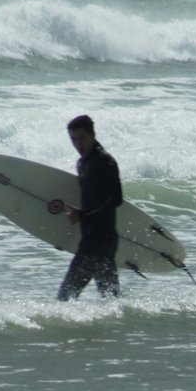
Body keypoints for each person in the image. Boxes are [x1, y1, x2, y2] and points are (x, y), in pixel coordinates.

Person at [57, 114, 123, 300]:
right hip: (96, 240)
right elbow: (90, 202)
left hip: (99, 242)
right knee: (111, 298)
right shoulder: (82, 163)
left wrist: (83, 216)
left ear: (93, 135)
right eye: (73, 139)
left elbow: (115, 199)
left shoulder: (104, 161)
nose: (78, 144)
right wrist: (61, 237)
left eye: (82, 138)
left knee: (66, 296)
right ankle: (121, 327)